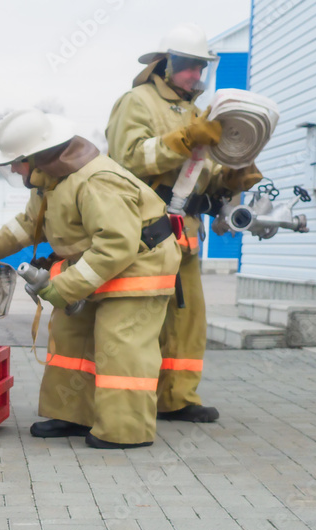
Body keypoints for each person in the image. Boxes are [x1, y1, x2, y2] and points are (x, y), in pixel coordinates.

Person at [0, 109, 181, 449]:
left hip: (140, 268)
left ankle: (125, 430)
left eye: (16, 163)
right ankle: (72, 414)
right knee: (69, 337)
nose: (15, 170)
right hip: (98, 264)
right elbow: (27, 224)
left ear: (36, 157)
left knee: (121, 347)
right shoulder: (50, 180)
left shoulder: (97, 181)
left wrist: (63, 286)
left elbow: (117, 245)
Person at [105, 23, 262, 423]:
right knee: (144, 321)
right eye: (187, 65)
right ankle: (132, 403)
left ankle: (178, 398)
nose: (195, 74)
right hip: (149, 231)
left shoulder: (197, 113)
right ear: (164, 64)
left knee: (188, 323)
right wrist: (185, 140)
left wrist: (235, 175)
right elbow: (129, 159)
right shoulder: (137, 102)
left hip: (188, 232)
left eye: (200, 67)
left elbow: (204, 174)